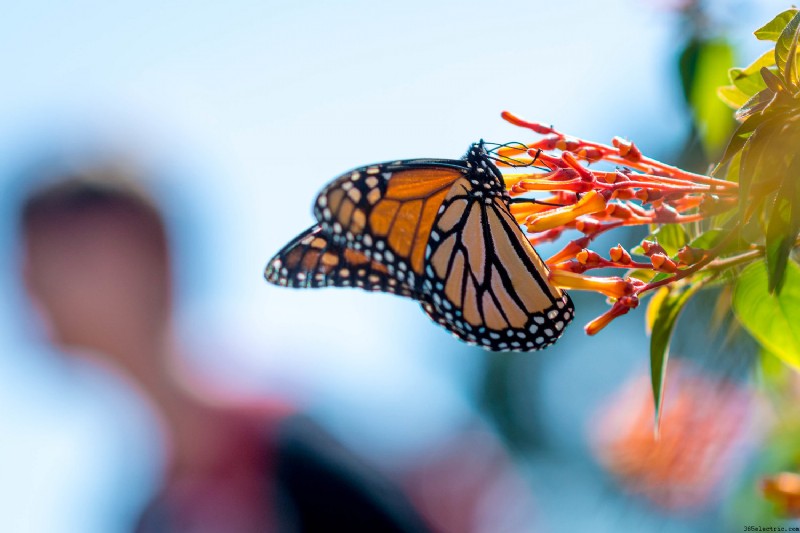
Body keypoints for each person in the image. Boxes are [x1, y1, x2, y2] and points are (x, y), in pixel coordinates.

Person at [18, 167, 433, 532]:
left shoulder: (280, 451)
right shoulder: (149, 509)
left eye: (69, 252)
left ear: (154, 258)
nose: (31, 282)